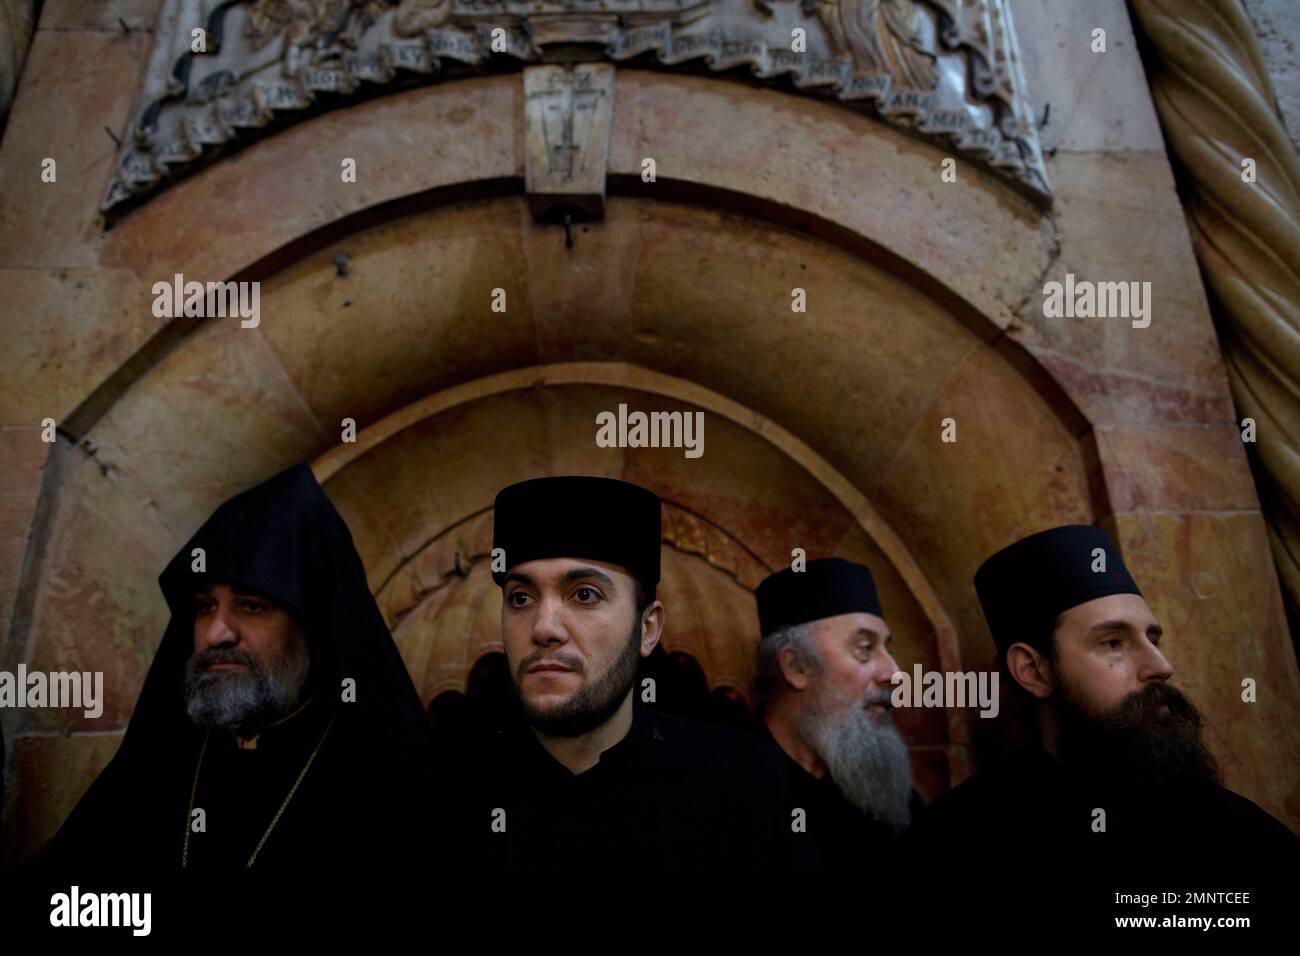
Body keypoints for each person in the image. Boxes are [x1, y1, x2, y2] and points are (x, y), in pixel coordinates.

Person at [42, 464, 436, 869]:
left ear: (310, 627)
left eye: (251, 606)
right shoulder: (157, 765)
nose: (216, 634)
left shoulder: (383, 783)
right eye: (204, 607)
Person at [916, 524, 1298, 922]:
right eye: (1113, 642)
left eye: (1154, 639)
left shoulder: (1241, 836)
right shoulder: (953, 847)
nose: (1161, 667)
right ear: (1034, 670)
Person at [462, 475, 807, 865]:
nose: (543, 628)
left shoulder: (745, 786)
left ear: (648, 629)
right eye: (521, 598)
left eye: (585, 595)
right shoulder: (441, 796)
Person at [754, 558, 919, 863]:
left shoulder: (886, 792)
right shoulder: (722, 787)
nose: (895, 674)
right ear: (796, 666)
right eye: (865, 649)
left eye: (888, 649)